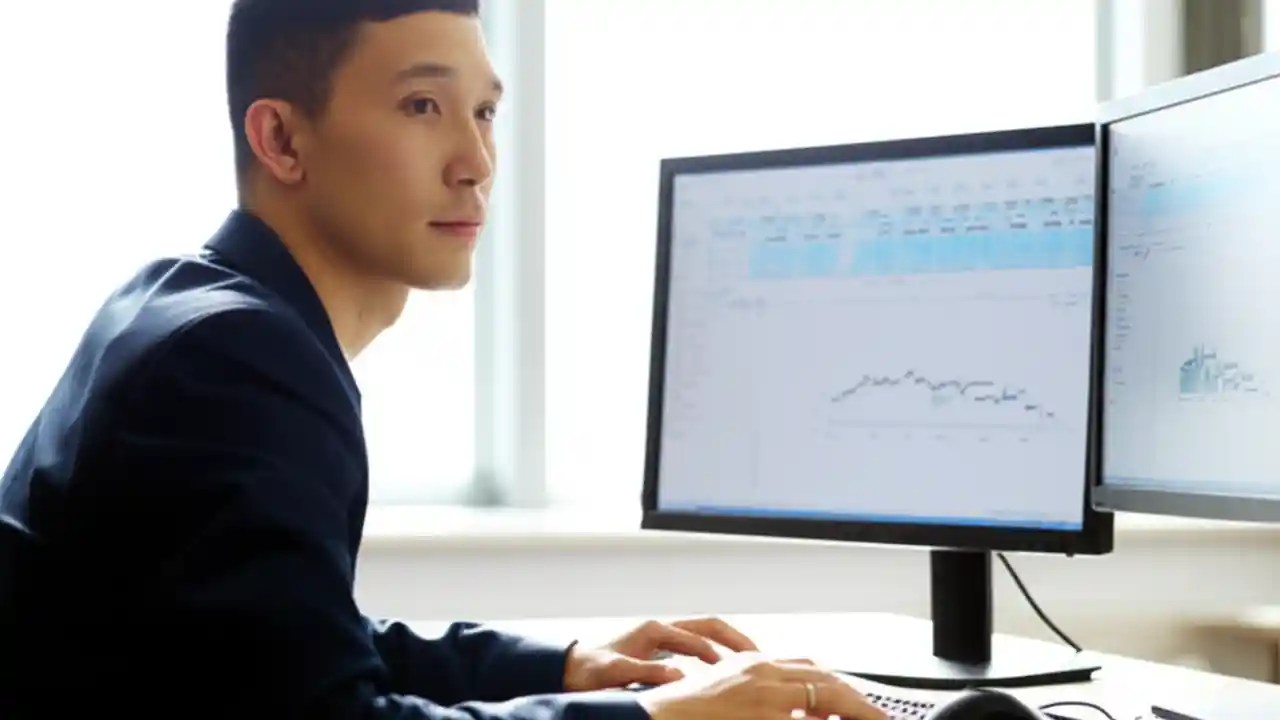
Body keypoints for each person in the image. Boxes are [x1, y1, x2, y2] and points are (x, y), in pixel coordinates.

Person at [0, 1, 884, 719]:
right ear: (281, 140)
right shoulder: (238, 360)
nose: (477, 161)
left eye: (486, 111)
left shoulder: (183, 304)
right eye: (422, 106)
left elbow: (285, 645)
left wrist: (575, 665)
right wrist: (662, 719)